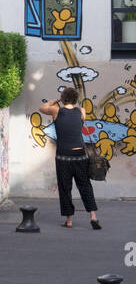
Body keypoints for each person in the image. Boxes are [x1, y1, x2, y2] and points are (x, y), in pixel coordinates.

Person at [39, 88, 101, 229]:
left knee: (65, 187)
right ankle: (93, 216)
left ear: (63, 98)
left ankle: (69, 220)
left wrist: (56, 100)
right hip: (80, 155)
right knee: (85, 186)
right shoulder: (82, 111)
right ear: (75, 99)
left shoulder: (57, 110)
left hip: (63, 156)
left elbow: (42, 108)